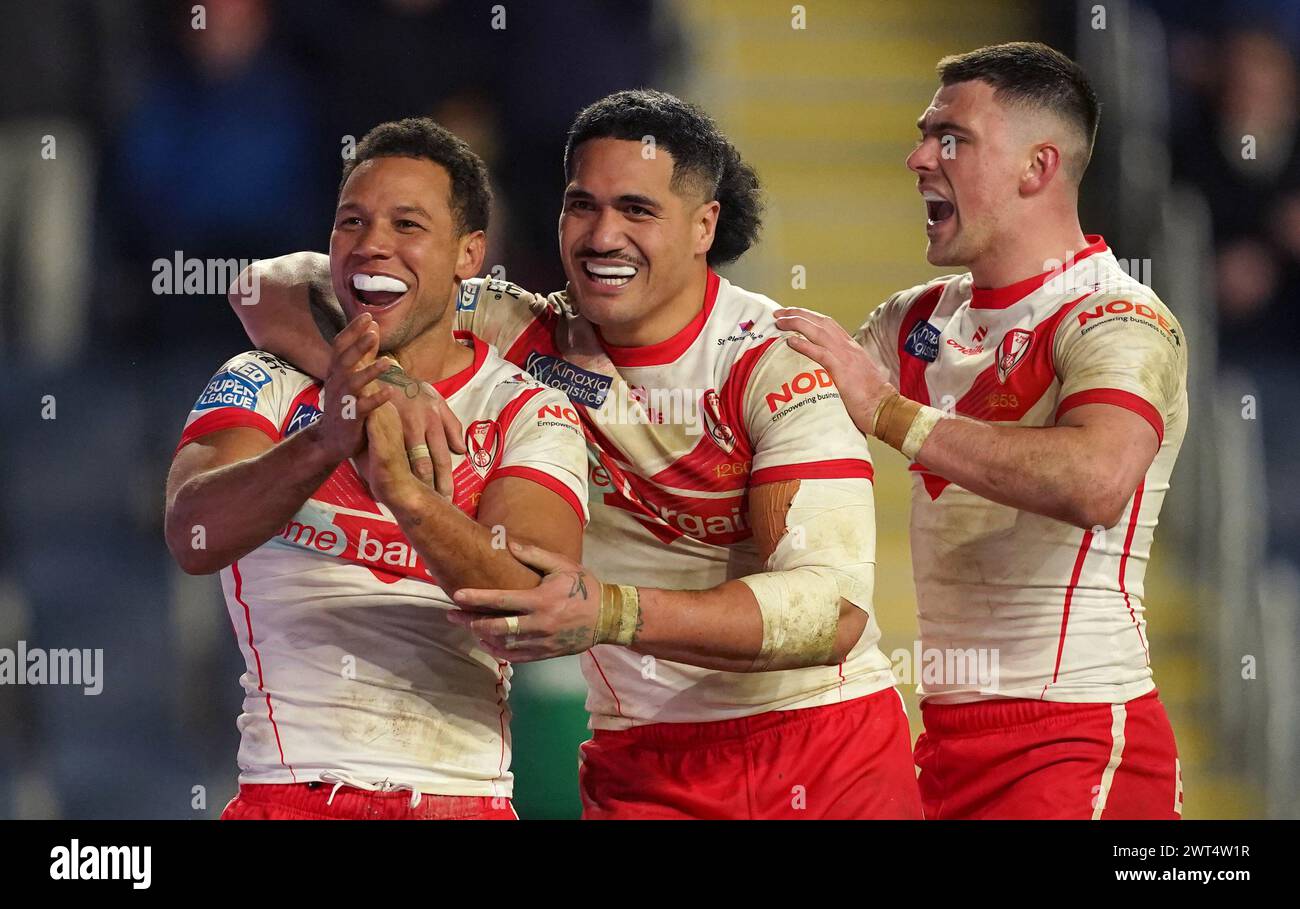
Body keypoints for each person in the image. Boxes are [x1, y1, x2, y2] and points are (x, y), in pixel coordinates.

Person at [232, 90, 921, 820]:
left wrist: (613, 613)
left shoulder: (774, 363)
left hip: (826, 749)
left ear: (703, 225)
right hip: (639, 763)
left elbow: (833, 610)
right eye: (581, 205)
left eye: (636, 210)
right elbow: (262, 286)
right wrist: (385, 379)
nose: (602, 235)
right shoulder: (521, 329)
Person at [775, 42, 1187, 819]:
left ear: (1037, 167)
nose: (918, 157)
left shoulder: (1118, 318)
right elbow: (763, 404)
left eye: (951, 139)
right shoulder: (916, 319)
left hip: (1077, 735)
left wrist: (890, 414)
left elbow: (1095, 480)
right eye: (926, 134)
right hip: (947, 738)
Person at [165, 118, 588, 820]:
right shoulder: (264, 378)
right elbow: (191, 534)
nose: (371, 245)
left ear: (469, 254)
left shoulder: (527, 408)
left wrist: (407, 497)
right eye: (351, 222)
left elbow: (535, 611)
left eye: (407, 223)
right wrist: (324, 443)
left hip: (463, 798)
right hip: (287, 791)